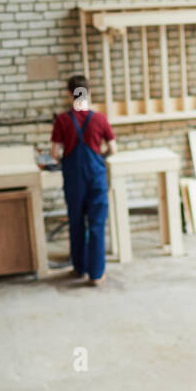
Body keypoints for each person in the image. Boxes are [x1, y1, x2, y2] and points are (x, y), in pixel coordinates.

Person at [49, 74, 116, 286]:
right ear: (87, 94)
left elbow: (54, 152)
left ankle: (80, 269)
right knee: (96, 224)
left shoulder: (62, 120)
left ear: (70, 94)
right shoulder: (100, 119)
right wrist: (100, 153)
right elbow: (112, 148)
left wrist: (63, 158)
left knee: (76, 223)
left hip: (74, 179)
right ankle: (96, 275)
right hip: (96, 177)